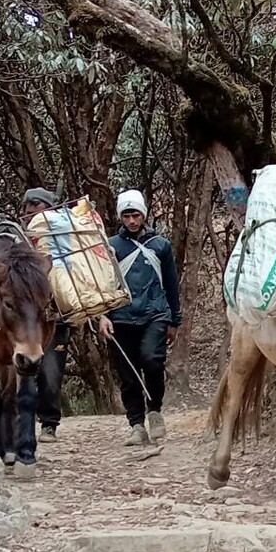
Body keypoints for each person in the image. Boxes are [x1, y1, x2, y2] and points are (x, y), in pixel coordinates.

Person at [99, 189, 180, 445]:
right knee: (128, 374)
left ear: (143, 215)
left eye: (136, 215)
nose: (132, 221)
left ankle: (154, 410)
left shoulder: (161, 246)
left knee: (152, 361)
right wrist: (102, 315)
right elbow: (102, 284)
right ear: (120, 217)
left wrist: (174, 320)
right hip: (121, 318)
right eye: (127, 216)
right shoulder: (111, 246)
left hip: (155, 314)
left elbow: (171, 284)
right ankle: (136, 424)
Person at [20, 187, 73, 441]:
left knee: (51, 373)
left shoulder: (65, 239)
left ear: (49, 209)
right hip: (24, 323)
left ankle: (49, 423)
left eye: (37, 204)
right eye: (28, 205)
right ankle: (24, 422)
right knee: (25, 372)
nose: (31, 210)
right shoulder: (19, 242)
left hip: (56, 318)